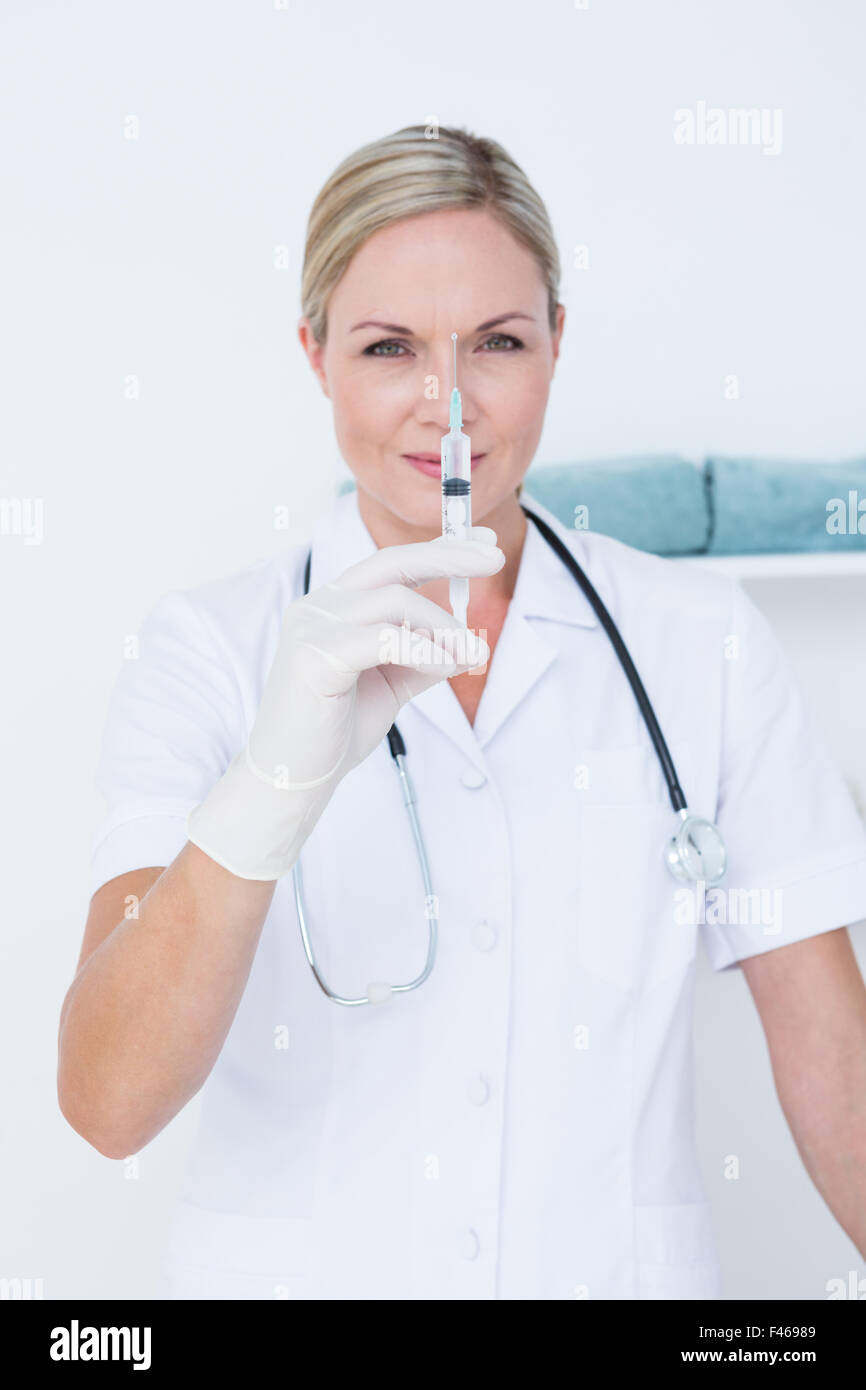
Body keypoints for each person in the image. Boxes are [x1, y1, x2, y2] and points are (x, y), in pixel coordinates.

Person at [58, 125, 866, 1300]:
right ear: (315, 353)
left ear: (554, 346)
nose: (447, 406)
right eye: (388, 348)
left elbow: (835, 1070)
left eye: (495, 341)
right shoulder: (208, 651)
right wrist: (269, 789)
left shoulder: (703, 644)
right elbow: (106, 1098)